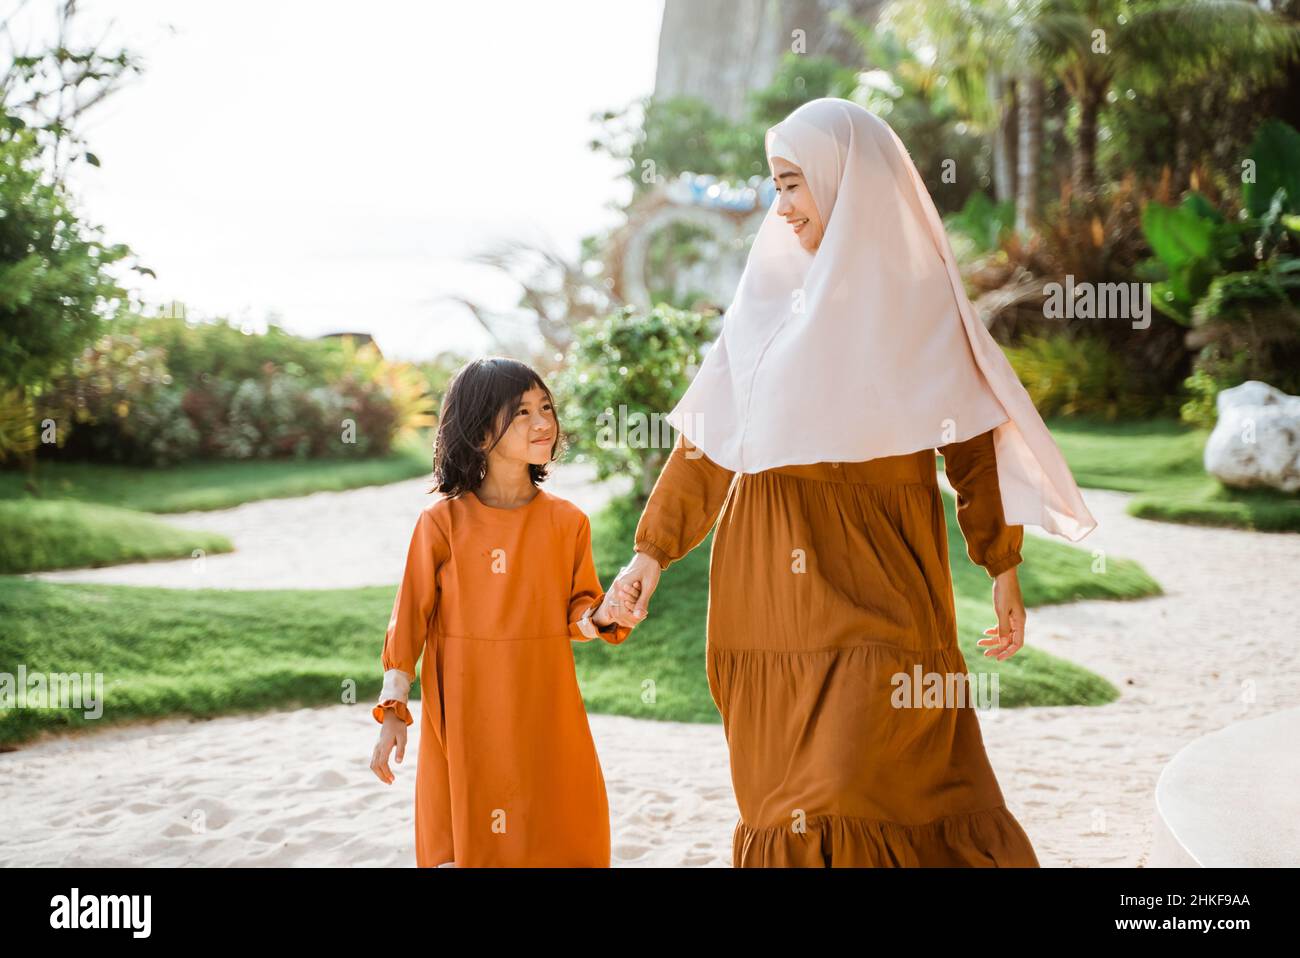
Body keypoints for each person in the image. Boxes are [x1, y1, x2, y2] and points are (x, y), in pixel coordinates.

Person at [605, 98, 1099, 867]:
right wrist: (650, 554)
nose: (783, 206)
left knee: (876, 775)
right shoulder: (764, 299)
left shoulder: (917, 295)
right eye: (776, 184)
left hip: (887, 573)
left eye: (794, 183)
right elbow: (708, 443)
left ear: (845, 178)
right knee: (797, 798)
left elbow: (966, 440)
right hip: (770, 587)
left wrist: (1001, 563)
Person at [368, 357, 633, 867]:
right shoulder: (441, 523)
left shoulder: (568, 521)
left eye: (546, 408)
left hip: (546, 701)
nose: (543, 423)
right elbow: (409, 620)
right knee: (477, 833)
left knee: (560, 821)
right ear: (478, 428)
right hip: (468, 707)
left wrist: (604, 614)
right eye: (521, 412)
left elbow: (577, 612)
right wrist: (393, 711)